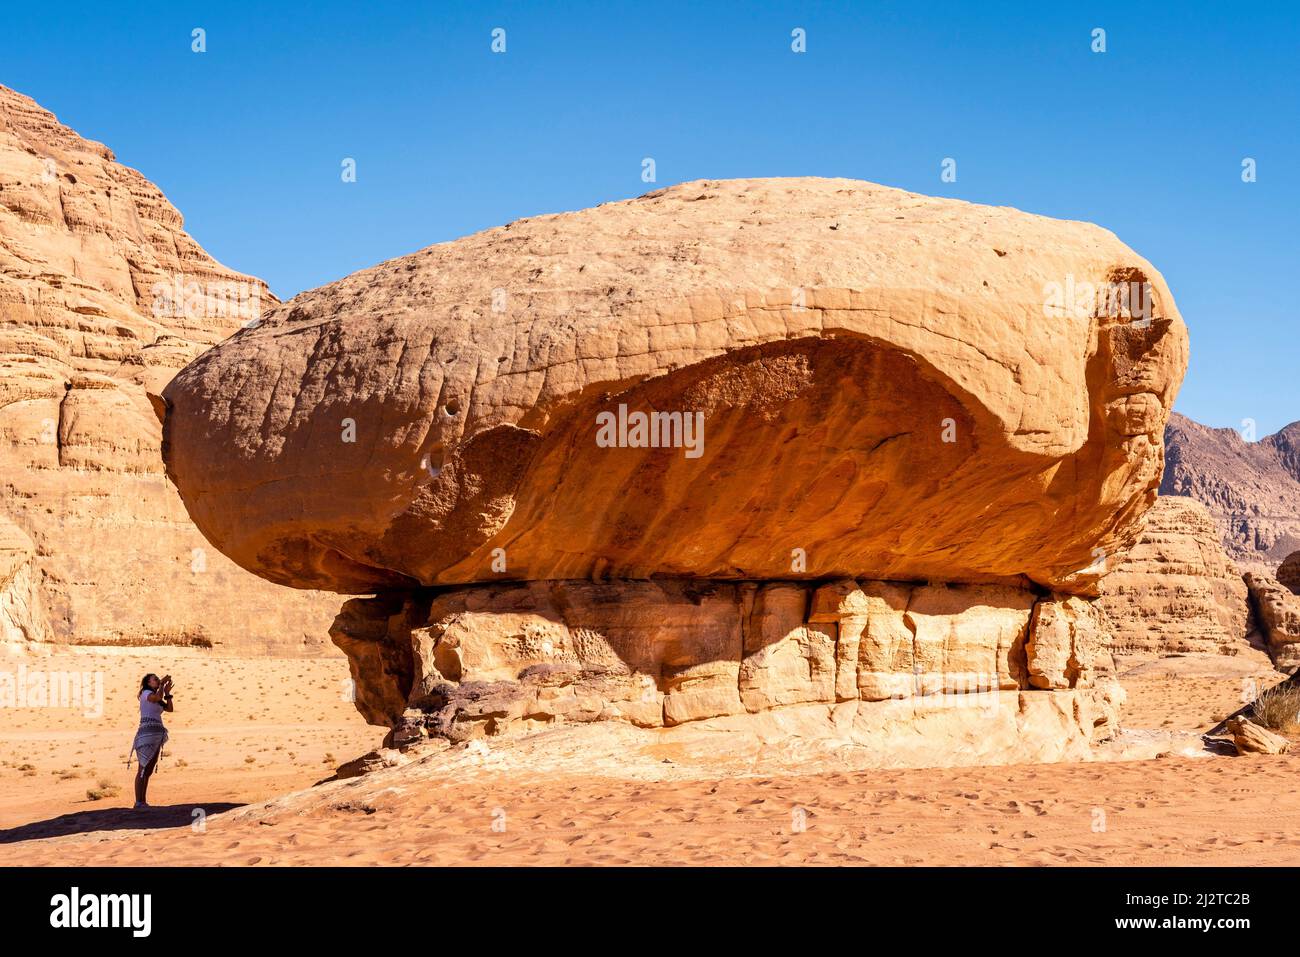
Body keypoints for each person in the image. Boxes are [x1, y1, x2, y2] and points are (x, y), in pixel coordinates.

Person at [128, 673, 173, 809]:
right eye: (155, 679)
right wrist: (162, 685)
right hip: (146, 734)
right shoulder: (146, 693)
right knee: (142, 767)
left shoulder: (157, 696)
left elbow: (170, 709)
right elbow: (156, 697)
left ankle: (143, 801)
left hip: (156, 734)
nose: (158, 680)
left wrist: (167, 693)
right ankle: (138, 801)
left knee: (148, 770)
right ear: (148, 682)